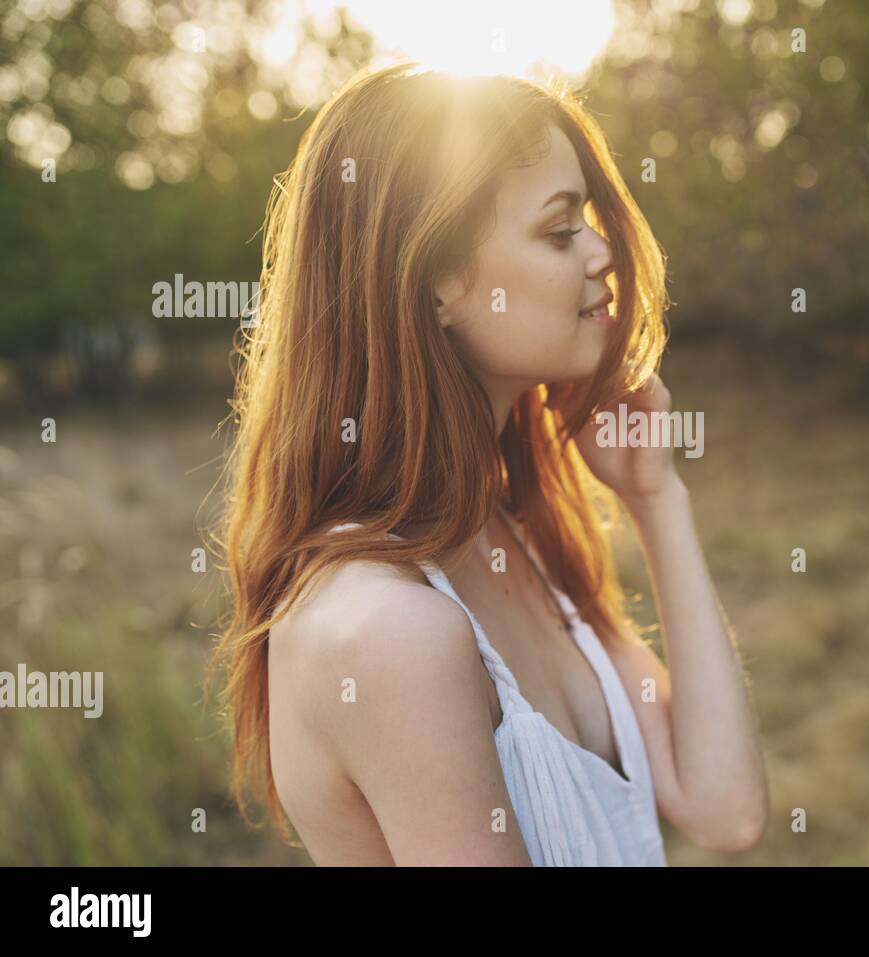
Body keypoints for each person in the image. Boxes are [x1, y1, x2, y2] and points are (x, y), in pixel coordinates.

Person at [204, 62, 767, 865]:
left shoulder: (506, 532)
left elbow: (724, 810)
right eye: (559, 229)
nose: (604, 254)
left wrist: (658, 497)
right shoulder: (388, 627)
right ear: (433, 282)